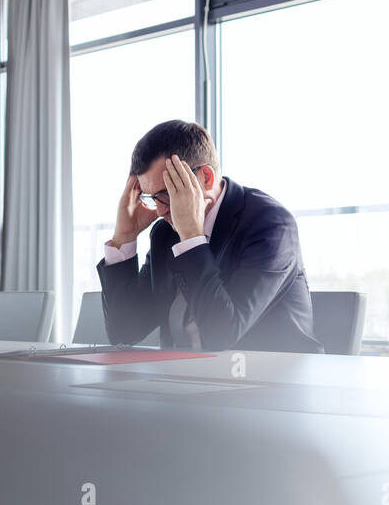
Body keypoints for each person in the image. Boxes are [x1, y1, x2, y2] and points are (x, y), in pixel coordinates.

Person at [96, 119, 323, 353]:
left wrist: (191, 238)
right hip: (185, 380)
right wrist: (124, 237)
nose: (160, 210)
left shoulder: (271, 224)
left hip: (272, 379)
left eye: (167, 192)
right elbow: (124, 331)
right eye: (151, 197)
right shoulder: (164, 233)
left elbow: (222, 333)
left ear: (206, 177)